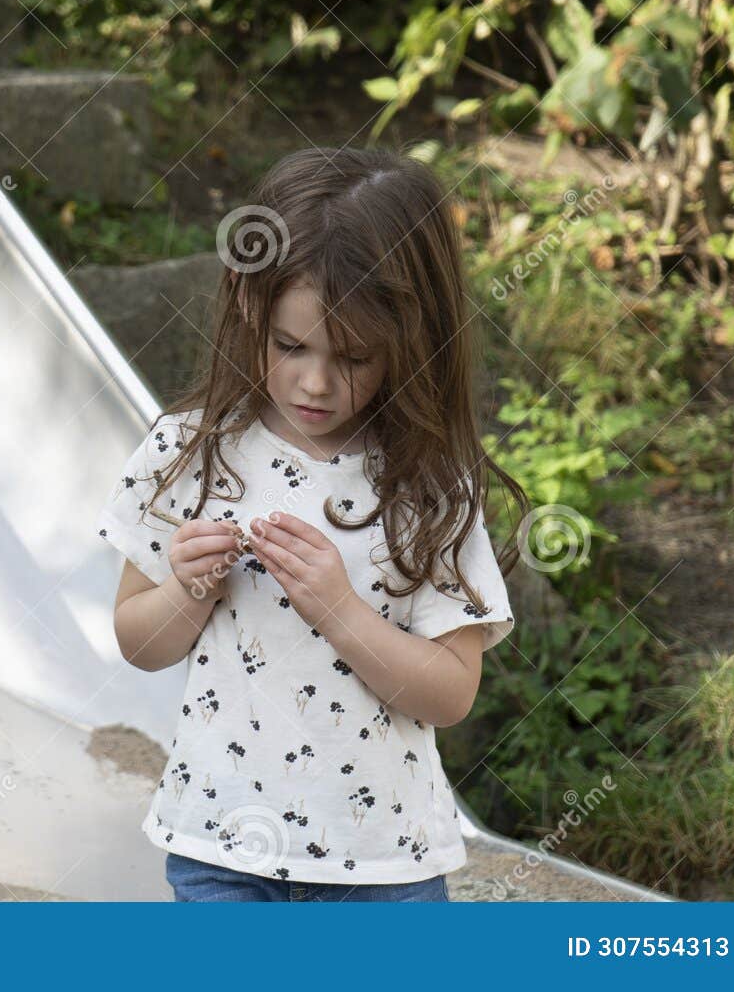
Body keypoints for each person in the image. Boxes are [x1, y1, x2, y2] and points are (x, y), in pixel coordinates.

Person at [95, 145, 529, 903]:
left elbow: (452, 691)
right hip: (219, 844)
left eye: (355, 356)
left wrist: (338, 610)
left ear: (413, 340)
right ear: (247, 307)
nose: (315, 381)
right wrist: (188, 591)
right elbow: (138, 640)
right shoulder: (191, 451)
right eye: (289, 345)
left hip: (381, 866)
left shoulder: (426, 484)